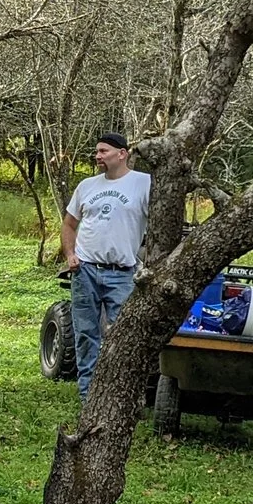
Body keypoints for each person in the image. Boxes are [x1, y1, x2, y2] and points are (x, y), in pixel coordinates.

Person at [61, 131, 152, 404]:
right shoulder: (87, 186)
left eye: (103, 151)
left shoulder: (144, 184)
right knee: (86, 333)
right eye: (97, 151)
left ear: (122, 154)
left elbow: (160, 224)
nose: (97, 156)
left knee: (123, 336)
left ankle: (120, 396)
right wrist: (70, 254)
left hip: (123, 273)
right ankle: (88, 398)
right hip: (86, 269)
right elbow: (68, 224)